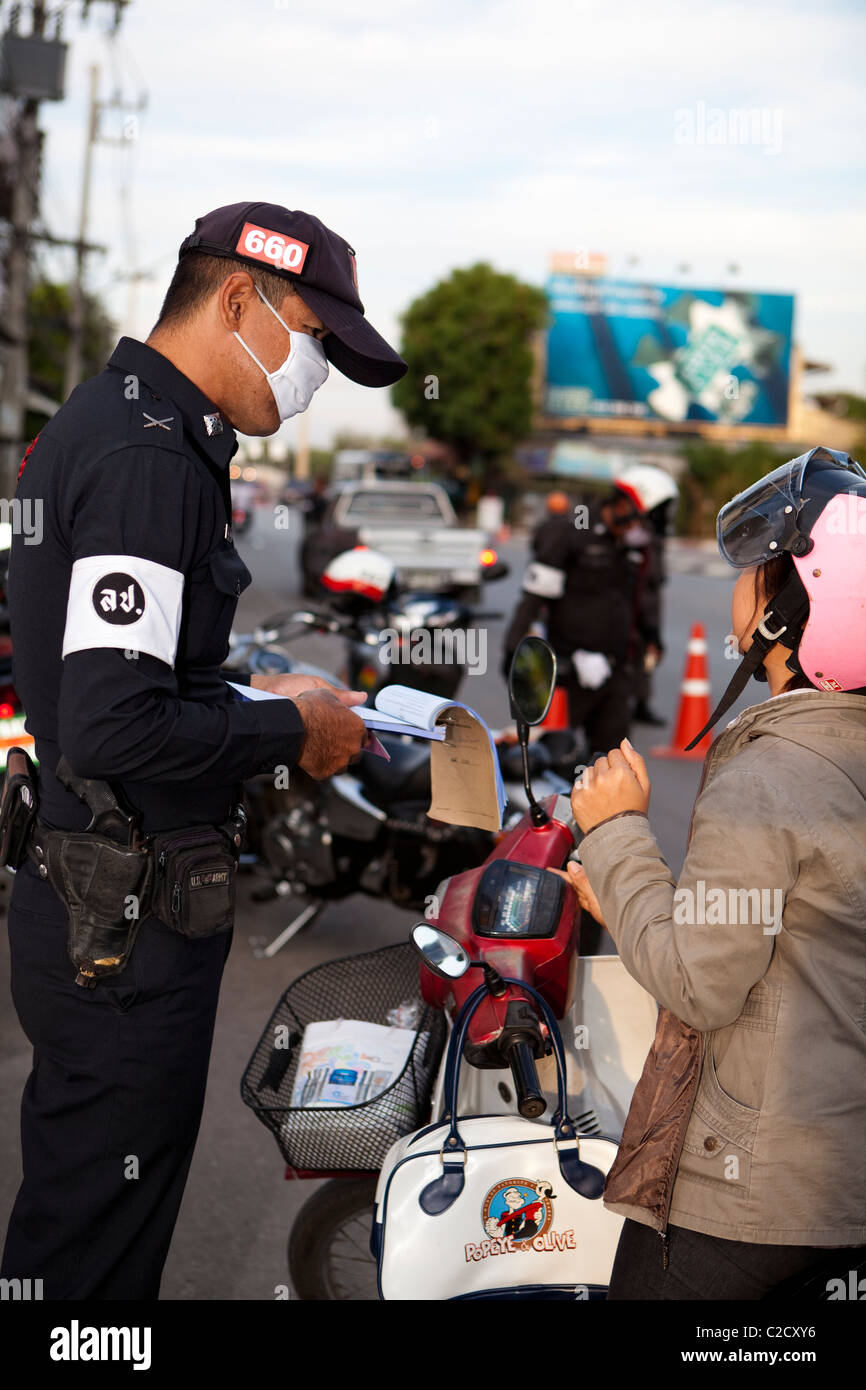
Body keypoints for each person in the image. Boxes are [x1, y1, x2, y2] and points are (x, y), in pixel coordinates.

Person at [1, 200, 407, 1299]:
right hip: (120, 920)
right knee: (96, 1241)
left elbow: (120, 674)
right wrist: (296, 726)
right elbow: (109, 721)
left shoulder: (127, 420)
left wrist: (243, 683)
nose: (315, 372)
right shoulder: (151, 457)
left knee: (83, 1209)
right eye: (314, 340)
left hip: (93, 889)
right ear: (238, 299)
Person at [559, 446, 866, 1299]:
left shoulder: (770, 780)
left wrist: (617, 833)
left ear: (793, 612)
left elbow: (699, 987)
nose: (741, 584)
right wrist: (627, 899)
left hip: (751, 1199)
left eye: (761, 570)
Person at [503, 484, 645, 753]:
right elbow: (535, 595)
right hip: (567, 668)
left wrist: (649, 642)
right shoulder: (572, 533)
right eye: (632, 521)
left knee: (613, 757)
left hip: (614, 670)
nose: (633, 531)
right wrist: (513, 647)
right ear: (621, 507)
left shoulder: (630, 547)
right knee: (551, 754)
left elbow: (638, 602)